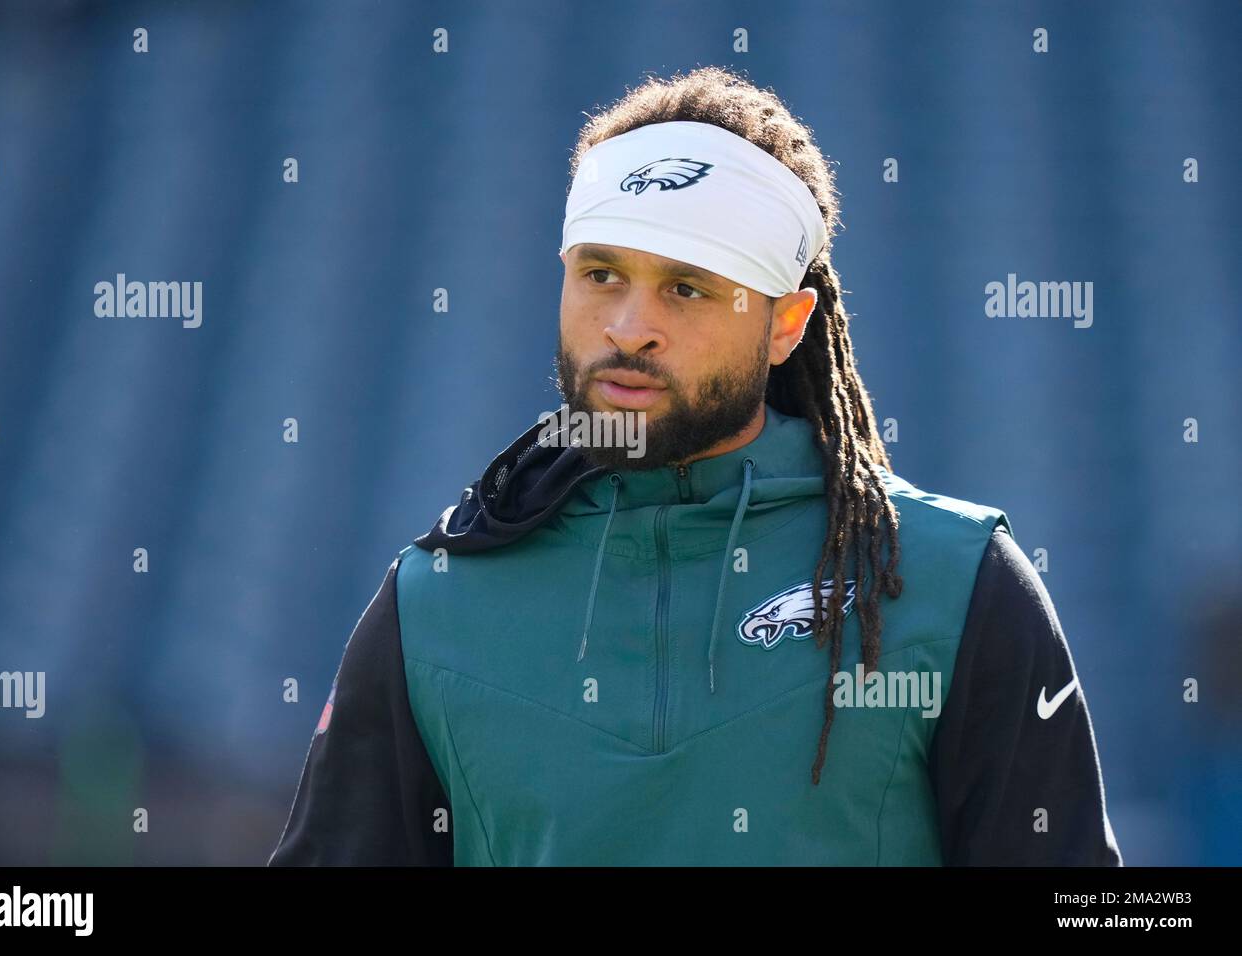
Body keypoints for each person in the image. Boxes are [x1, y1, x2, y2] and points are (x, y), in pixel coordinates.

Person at [268, 66, 1122, 866]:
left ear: (785, 324)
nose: (629, 326)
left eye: (687, 288)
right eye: (602, 274)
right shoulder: (435, 601)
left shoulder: (952, 583)